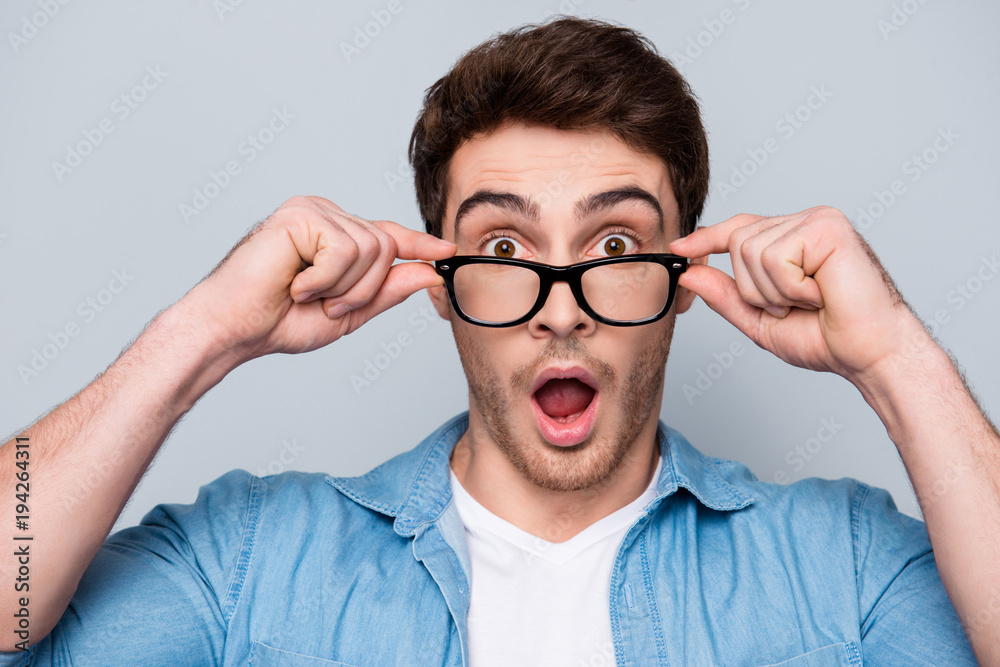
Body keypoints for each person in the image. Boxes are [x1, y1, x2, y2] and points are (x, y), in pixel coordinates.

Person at [2, 16, 997, 666]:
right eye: (504, 245)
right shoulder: (254, 559)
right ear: (438, 286)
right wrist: (201, 333)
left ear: (681, 281)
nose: (558, 308)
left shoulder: (842, 566)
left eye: (613, 243)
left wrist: (894, 359)